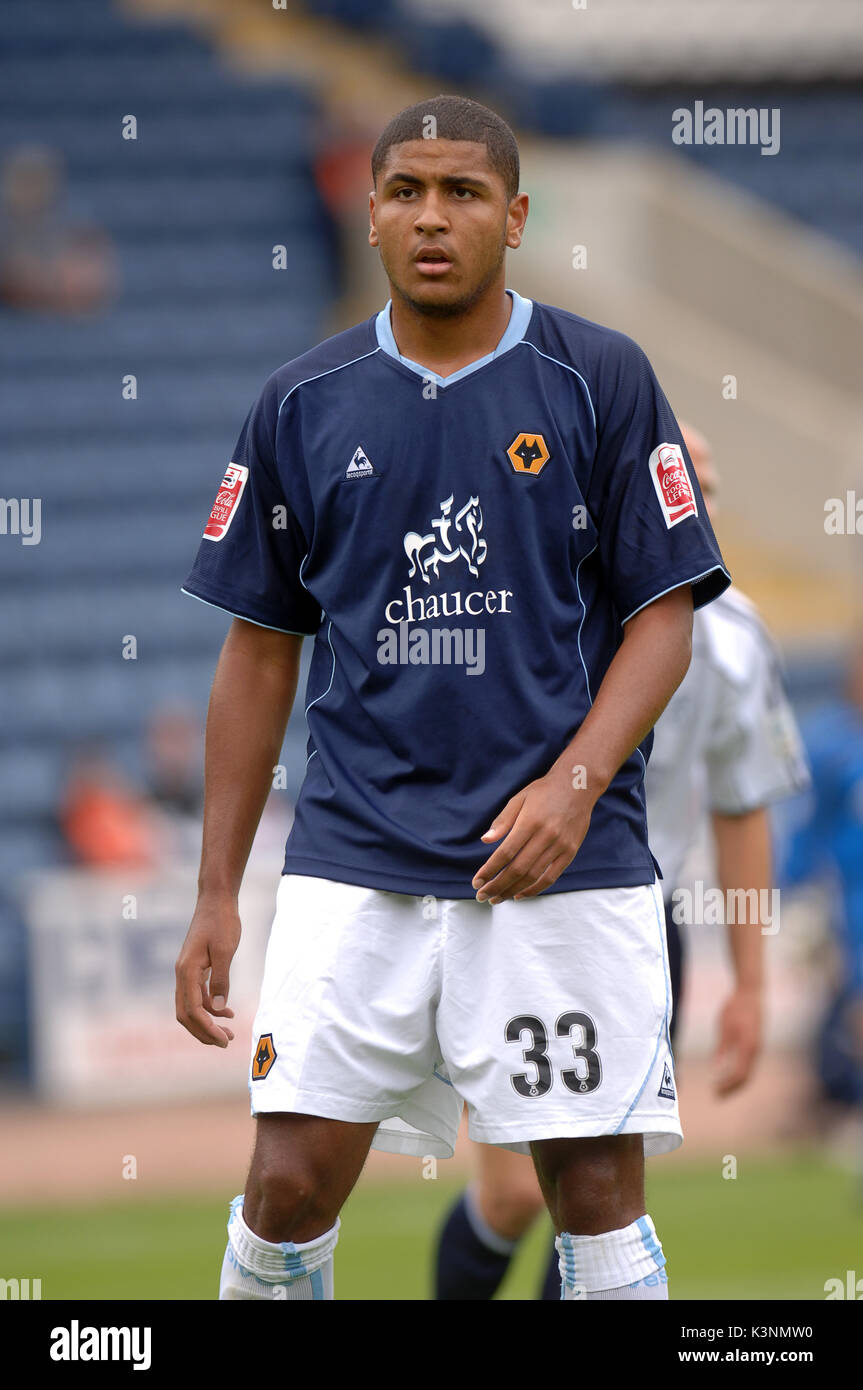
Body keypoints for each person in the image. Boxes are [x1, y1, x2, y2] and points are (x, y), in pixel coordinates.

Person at [174, 94, 730, 1302]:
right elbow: (258, 651)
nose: (434, 217)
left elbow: (664, 616)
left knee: (591, 1198)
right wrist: (216, 893)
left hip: (561, 869)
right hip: (353, 857)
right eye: (407, 192)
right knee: (282, 1186)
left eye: (464, 193)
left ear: (515, 217)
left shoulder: (600, 378)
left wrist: (572, 789)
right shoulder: (297, 402)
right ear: (368, 212)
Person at [433, 421, 810, 1299]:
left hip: (639, 923)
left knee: (597, 1194)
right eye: (684, 486)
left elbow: (739, 802)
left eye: (708, 491)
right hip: (514, 907)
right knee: (510, 1196)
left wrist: (748, 984)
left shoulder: (736, 639)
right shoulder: (544, 604)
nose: (696, 509)